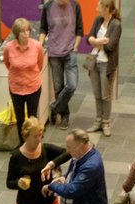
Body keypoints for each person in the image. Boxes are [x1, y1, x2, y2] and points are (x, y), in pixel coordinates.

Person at [46, 129, 109, 204]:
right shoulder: (80, 155)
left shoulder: (91, 166)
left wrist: (52, 186)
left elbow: (72, 190)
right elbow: (73, 172)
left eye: (70, 148)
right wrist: (64, 177)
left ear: (81, 145)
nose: (68, 151)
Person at [39, 0, 84, 129]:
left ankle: (54, 108)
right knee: (58, 87)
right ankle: (65, 115)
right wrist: (39, 45)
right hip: (54, 53)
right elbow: (43, 28)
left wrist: (75, 47)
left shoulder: (75, 5)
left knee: (72, 85)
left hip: (70, 52)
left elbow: (79, 29)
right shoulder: (48, 6)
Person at [85, 0, 121, 136]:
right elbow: (88, 37)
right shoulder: (98, 20)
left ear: (106, 9)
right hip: (95, 62)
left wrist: (94, 42)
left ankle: (106, 122)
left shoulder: (116, 25)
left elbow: (110, 46)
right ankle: (98, 121)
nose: (97, 8)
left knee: (106, 95)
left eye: (99, 6)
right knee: (97, 94)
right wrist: (99, 41)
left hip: (107, 64)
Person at [2, 18, 46, 128]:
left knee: (33, 118)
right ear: (17, 33)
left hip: (33, 86)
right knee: (20, 118)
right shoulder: (9, 47)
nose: (26, 34)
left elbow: (39, 64)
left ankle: (33, 144)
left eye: (28, 30)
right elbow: (8, 64)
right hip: (16, 88)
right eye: (22, 31)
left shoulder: (37, 46)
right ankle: (23, 144)